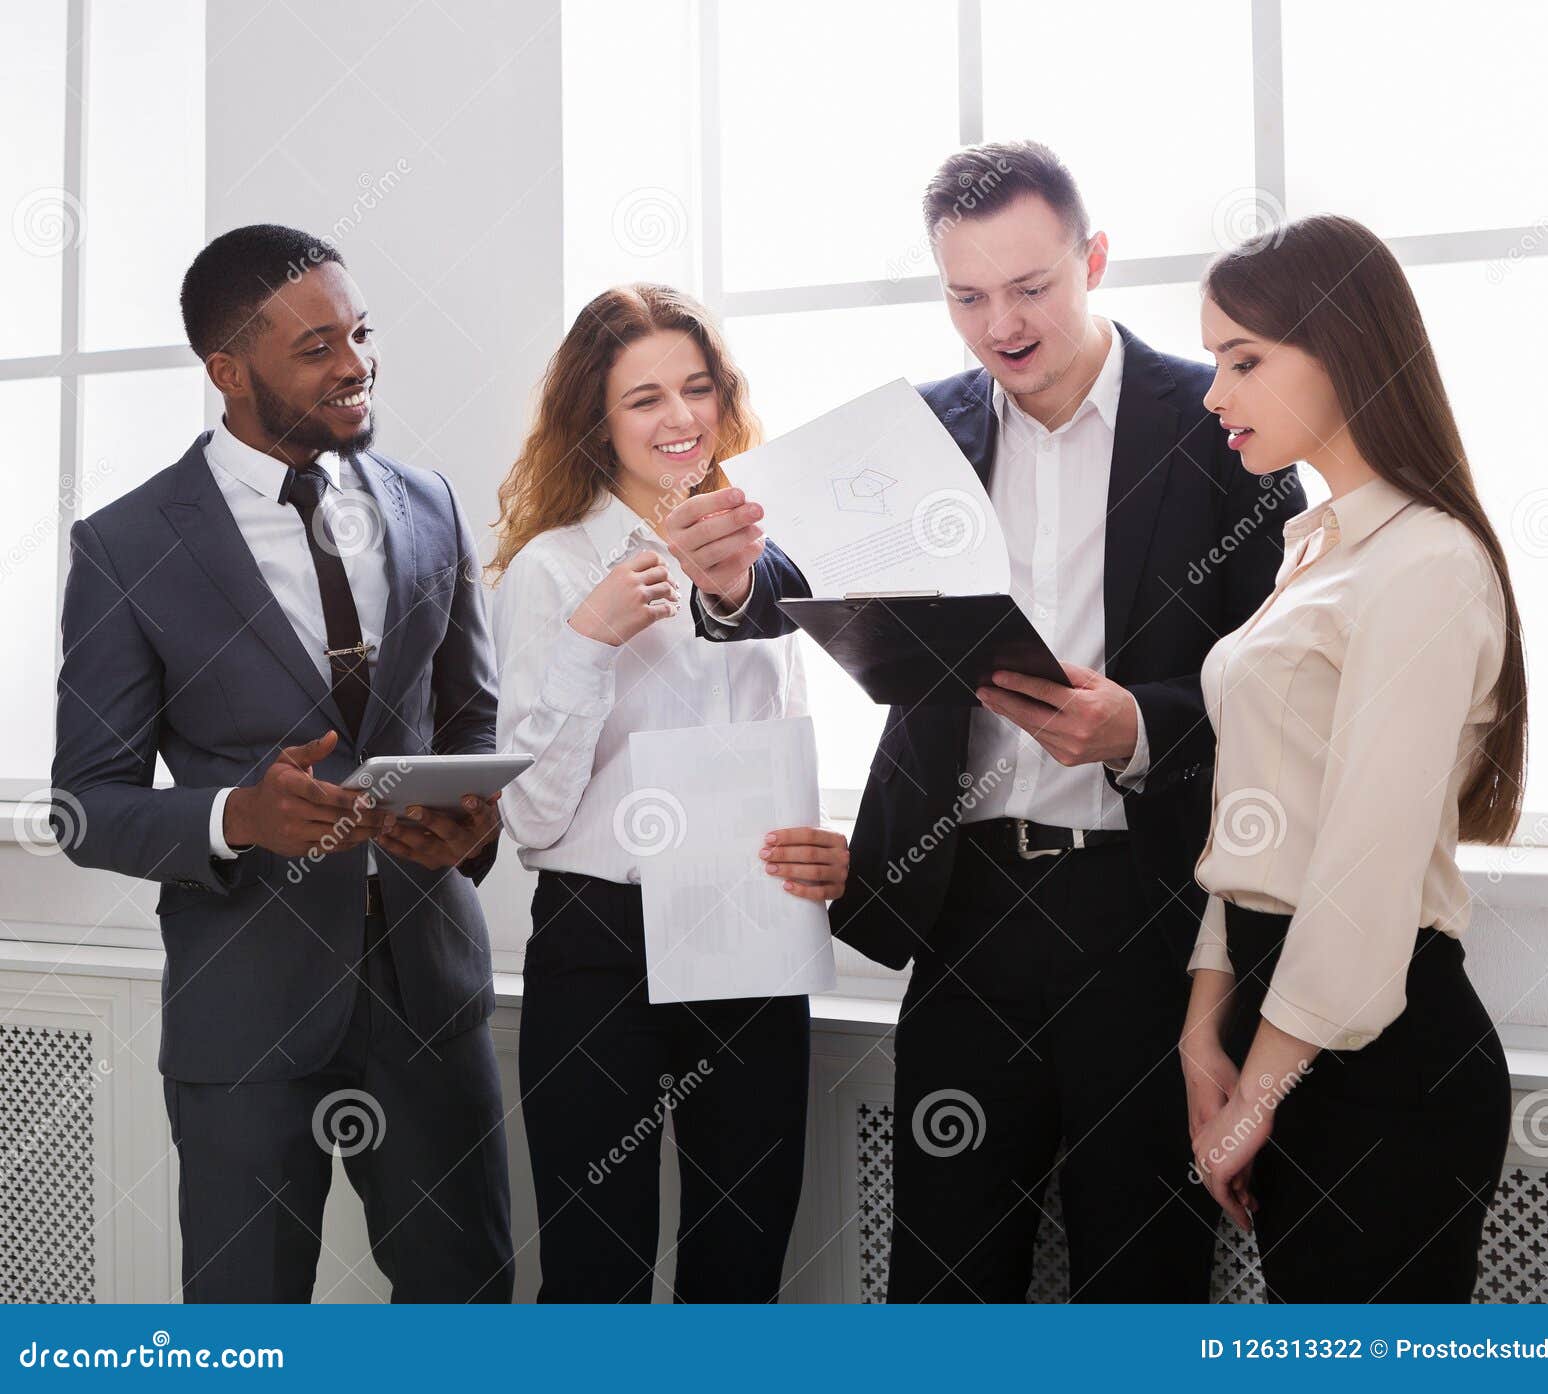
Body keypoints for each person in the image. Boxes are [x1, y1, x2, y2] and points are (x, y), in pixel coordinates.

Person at [664, 141, 1304, 1301]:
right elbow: (795, 578)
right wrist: (723, 582)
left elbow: (1287, 687)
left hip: (1146, 917)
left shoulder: (1219, 425)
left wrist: (1139, 730)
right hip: (964, 913)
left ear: (1093, 260)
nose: (1000, 324)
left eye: (1030, 287)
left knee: (1142, 1276)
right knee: (943, 1278)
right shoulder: (915, 430)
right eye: (967, 296)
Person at [51, 225, 513, 1302]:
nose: (354, 364)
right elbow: (86, 803)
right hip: (246, 1008)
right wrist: (236, 818)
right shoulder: (126, 547)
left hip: (427, 987)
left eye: (359, 331)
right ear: (228, 370)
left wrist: (469, 816)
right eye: (315, 347)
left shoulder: (427, 500)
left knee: (469, 1308)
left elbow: (470, 718)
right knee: (246, 1326)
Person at [1182, 213, 1523, 1302]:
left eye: (1244, 360)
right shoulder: (1315, 547)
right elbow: (1254, 816)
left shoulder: (1424, 560)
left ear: (1345, 349)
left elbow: (1364, 869)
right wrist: (1204, 1028)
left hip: (1384, 1067)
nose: (1213, 396)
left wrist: (1256, 1093)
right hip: (1287, 1028)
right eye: (1212, 363)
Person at [489, 283, 847, 1302]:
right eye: (642, 397)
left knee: (742, 1261)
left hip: (752, 928)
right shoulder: (553, 570)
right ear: (596, 423)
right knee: (594, 1268)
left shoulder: (775, 561)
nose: (678, 416)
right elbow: (531, 817)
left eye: (695, 387)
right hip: (602, 939)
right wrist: (589, 643)